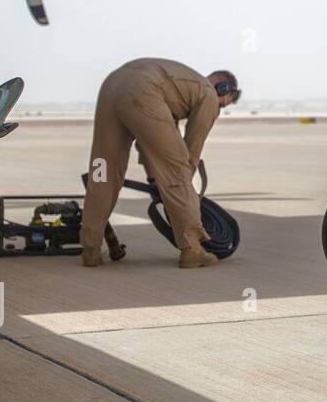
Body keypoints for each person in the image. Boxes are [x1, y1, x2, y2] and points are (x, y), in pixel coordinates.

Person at [79, 59, 239, 268]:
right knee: (177, 169)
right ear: (223, 88)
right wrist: (180, 181)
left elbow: (151, 143)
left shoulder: (181, 87)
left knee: (103, 172)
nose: (220, 108)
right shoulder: (208, 93)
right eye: (223, 103)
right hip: (144, 87)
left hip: (112, 85)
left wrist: (154, 177)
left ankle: (90, 248)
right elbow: (192, 147)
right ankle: (192, 249)